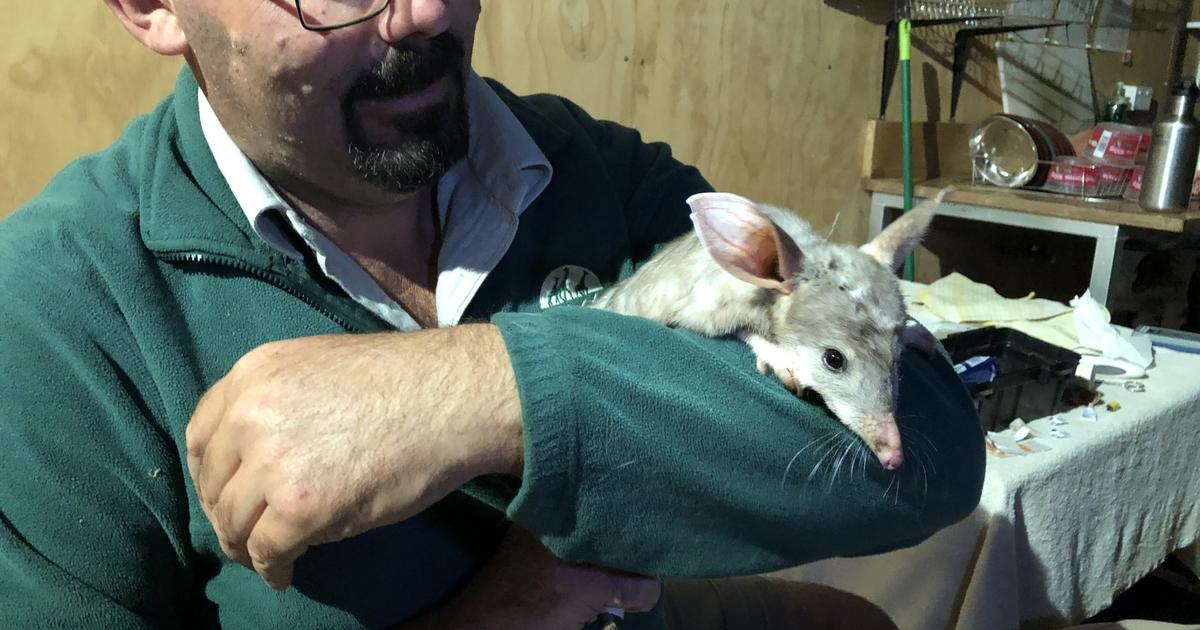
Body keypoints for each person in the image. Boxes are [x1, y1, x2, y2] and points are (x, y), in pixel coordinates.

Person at [0, 0, 985, 627]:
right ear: (150, 6)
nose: (426, 13)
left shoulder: (594, 169)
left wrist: (491, 390)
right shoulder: (59, 306)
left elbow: (929, 453)